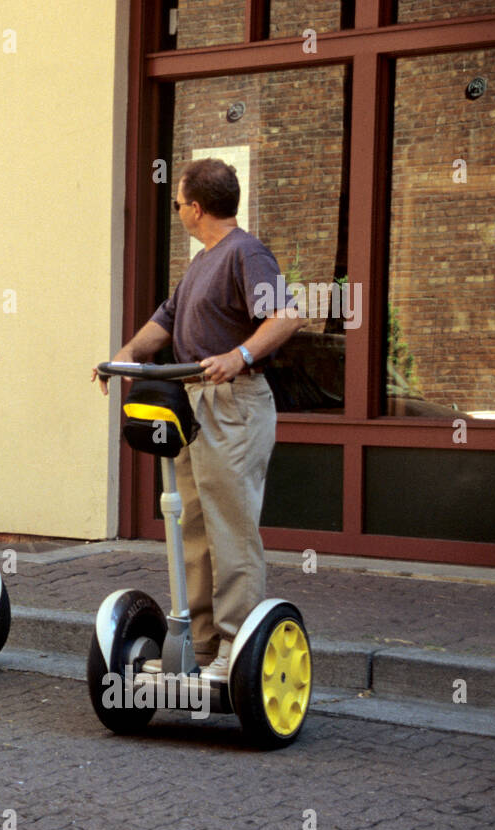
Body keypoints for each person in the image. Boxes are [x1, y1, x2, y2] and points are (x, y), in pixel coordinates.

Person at [94, 158, 302, 676]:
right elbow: (163, 322)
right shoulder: (203, 261)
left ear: (197, 207)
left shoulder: (245, 252)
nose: (178, 211)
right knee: (193, 526)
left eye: (178, 203)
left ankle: (238, 648)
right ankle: (203, 644)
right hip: (193, 404)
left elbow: (287, 314)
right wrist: (123, 358)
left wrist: (240, 356)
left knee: (230, 528)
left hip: (234, 403)